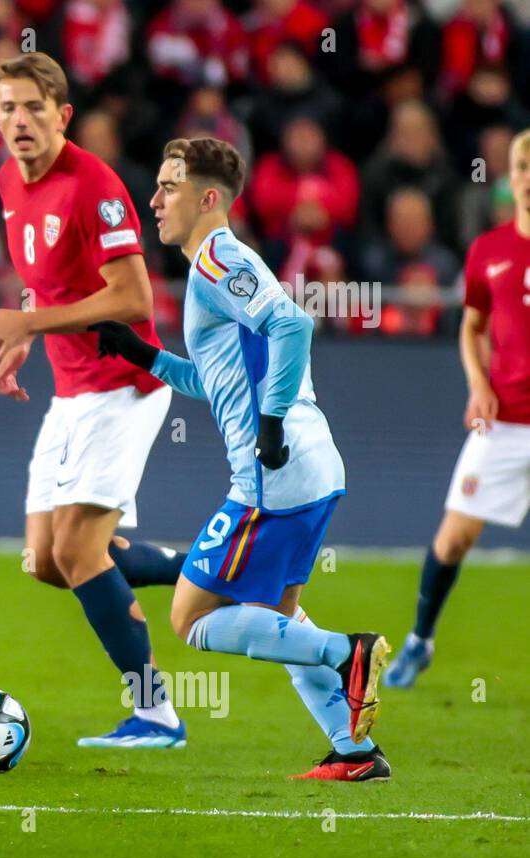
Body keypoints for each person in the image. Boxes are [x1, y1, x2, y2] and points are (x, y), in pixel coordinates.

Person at [93, 137, 393, 780]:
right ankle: (355, 752)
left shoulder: (218, 260)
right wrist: (142, 355)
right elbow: (216, 380)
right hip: (311, 469)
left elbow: (294, 326)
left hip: (273, 474)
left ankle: (349, 654)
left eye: (168, 186)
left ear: (208, 198)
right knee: (276, 618)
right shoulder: (215, 265)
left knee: (191, 616)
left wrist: (272, 423)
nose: (154, 199)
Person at [0, 52, 187, 749]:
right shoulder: (10, 179)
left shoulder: (93, 185)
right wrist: (27, 336)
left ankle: (156, 712)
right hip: (71, 390)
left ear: (63, 115)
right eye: (7, 107)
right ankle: (201, 568)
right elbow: (53, 286)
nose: (19, 121)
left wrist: (28, 322)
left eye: (34, 107)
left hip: (124, 386)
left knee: (78, 548)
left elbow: (132, 298)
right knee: (45, 560)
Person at [385, 129, 530, 688]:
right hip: (504, 421)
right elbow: (472, 329)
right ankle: (420, 640)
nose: (528, 175)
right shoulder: (489, 252)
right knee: (452, 539)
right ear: (510, 177)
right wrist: (478, 383)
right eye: (521, 166)